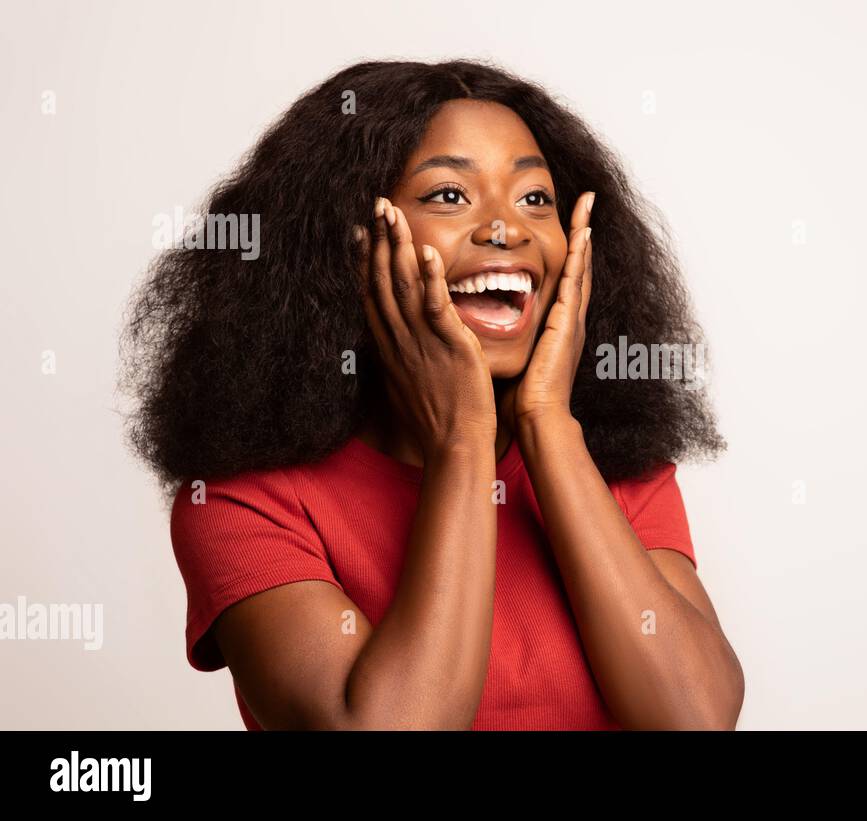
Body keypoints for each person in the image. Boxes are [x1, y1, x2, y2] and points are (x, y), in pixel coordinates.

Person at [121, 59, 742, 730]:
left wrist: (548, 425)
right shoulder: (247, 501)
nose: (506, 229)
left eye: (535, 198)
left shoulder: (614, 472)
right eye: (449, 194)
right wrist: (462, 440)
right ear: (348, 246)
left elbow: (695, 717)